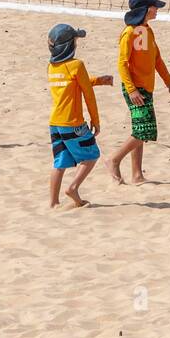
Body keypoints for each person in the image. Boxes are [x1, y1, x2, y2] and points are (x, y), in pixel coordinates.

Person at [109, 0, 170, 185]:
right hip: (135, 88)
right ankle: (113, 160)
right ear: (145, 9)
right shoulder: (129, 32)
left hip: (146, 87)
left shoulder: (145, 30)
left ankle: (137, 175)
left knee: (139, 129)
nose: (157, 9)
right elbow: (122, 63)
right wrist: (131, 90)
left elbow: (156, 59)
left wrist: (168, 81)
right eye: (154, 6)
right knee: (145, 131)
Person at [46, 24, 113, 208]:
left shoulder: (51, 67)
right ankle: (73, 188)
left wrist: (98, 80)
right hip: (72, 122)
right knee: (92, 155)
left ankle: (53, 203)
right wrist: (96, 120)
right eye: (75, 41)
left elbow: (71, 83)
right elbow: (87, 94)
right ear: (68, 46)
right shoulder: (77, 65)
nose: (77, 44)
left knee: (59, 162)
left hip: (55, 123)